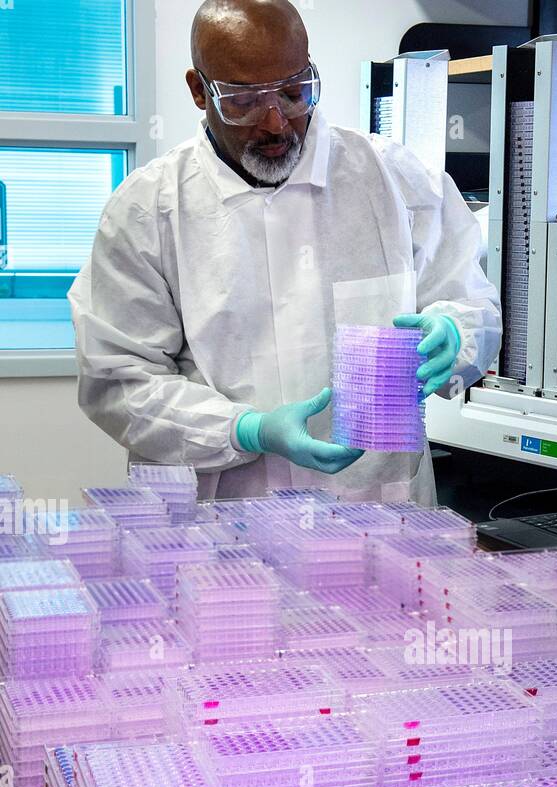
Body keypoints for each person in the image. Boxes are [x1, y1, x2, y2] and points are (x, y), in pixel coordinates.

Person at [69, 0, 501, 503]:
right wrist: (245, 430)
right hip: (224, 527)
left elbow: (473, 305)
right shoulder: (147, 212)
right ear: (198, 90)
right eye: (245, 101)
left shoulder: (395, 181)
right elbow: (120, 384)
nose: (276, 122)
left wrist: (454, 333)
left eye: (295, 91)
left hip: (382, 516)